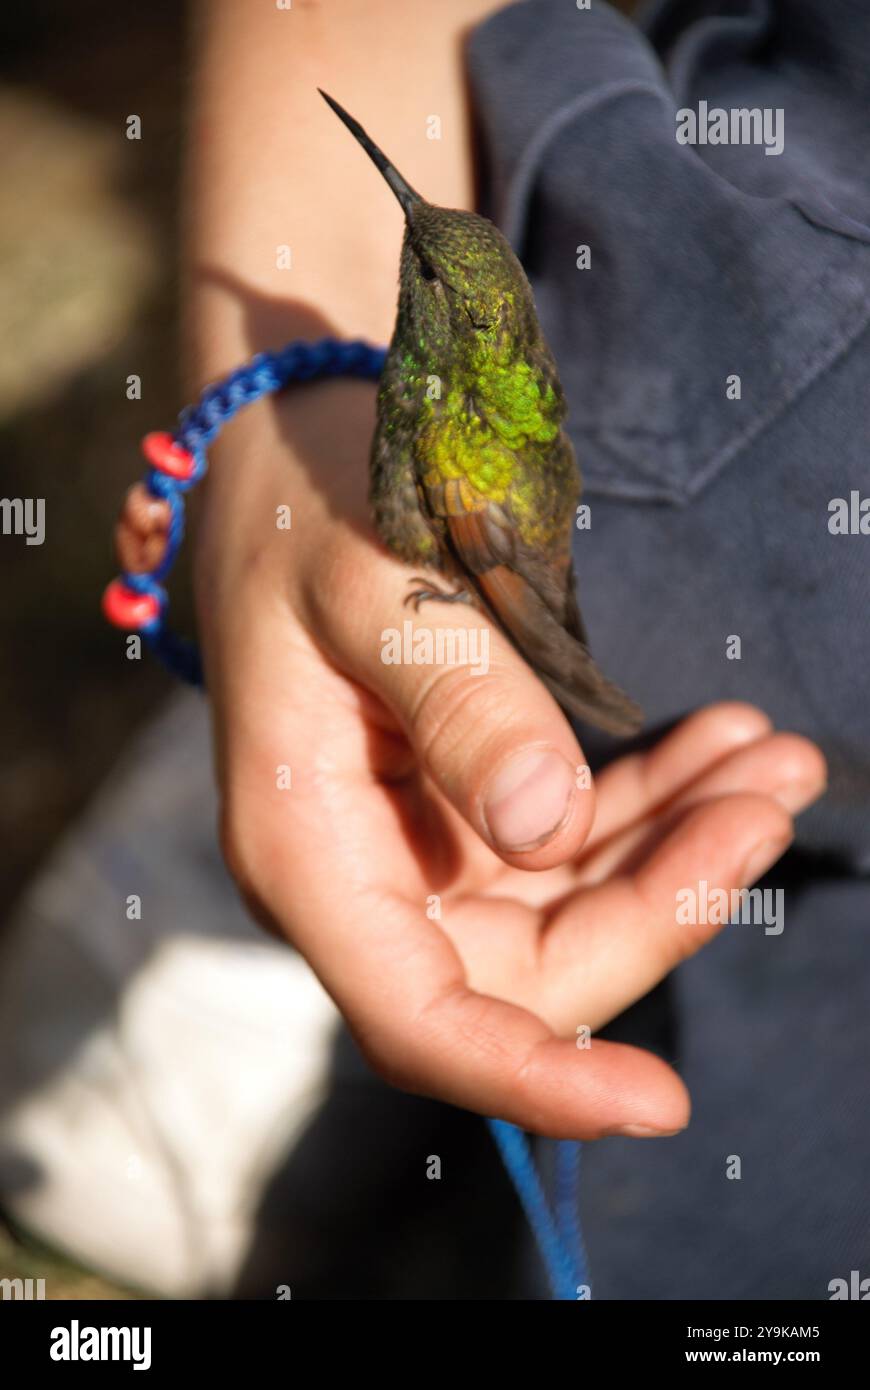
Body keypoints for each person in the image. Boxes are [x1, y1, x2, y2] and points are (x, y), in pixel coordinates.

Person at [2, 0, 865, 1298]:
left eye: (416, 279)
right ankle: (344, 716)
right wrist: (272, 496)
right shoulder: (441, 385)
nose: (413, 269)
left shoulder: (468, 418)